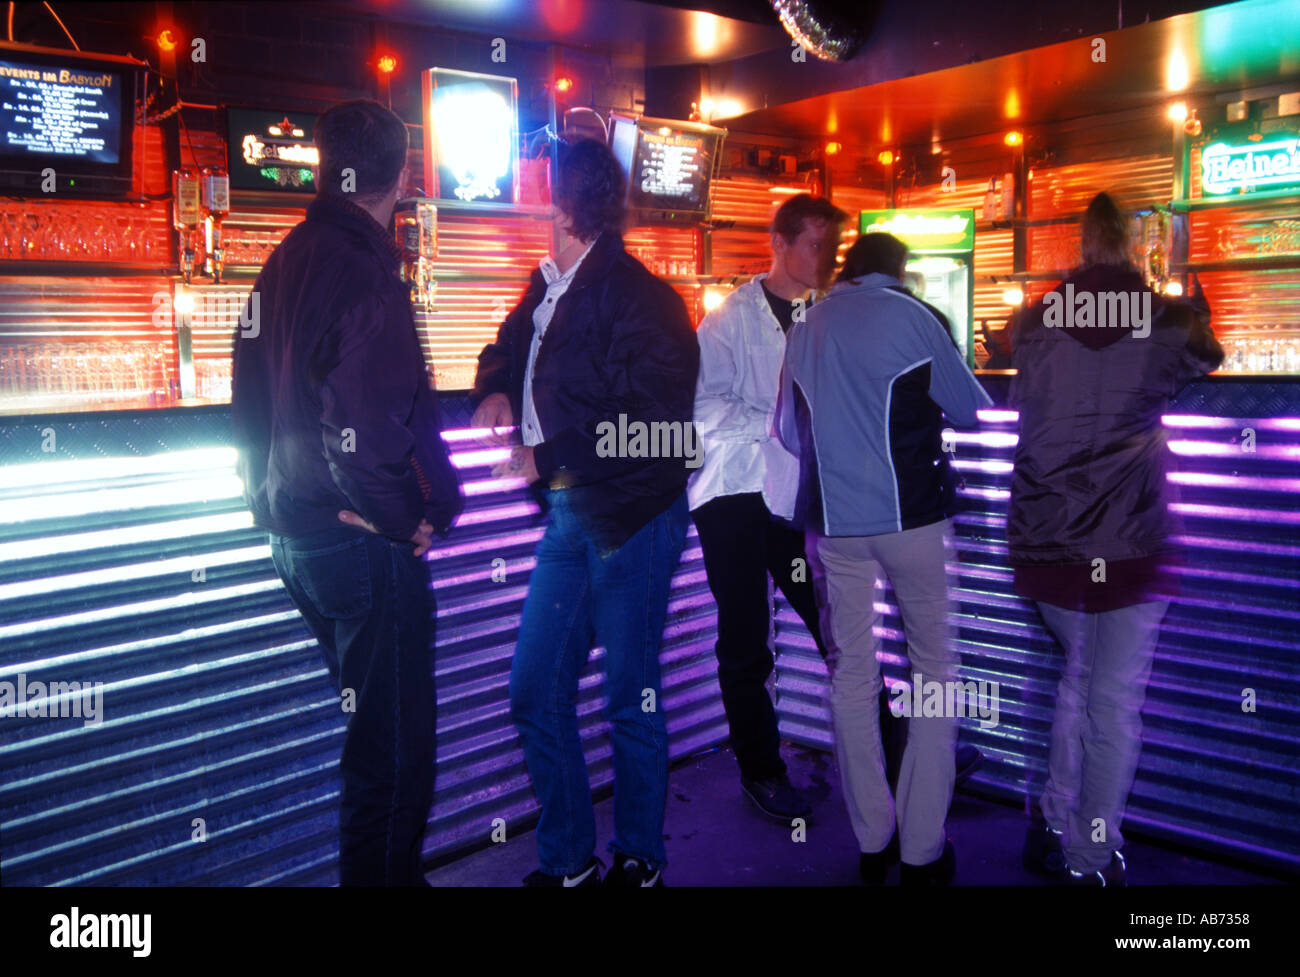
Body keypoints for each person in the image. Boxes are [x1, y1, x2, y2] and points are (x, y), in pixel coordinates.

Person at [230, 98, 462, 886]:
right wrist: (404, 521)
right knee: (392, 754)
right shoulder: (364, 272)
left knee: (374, 735)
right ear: (401, 174)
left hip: (297, 540)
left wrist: (272, 504)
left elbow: (250, 406)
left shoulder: (284, 258)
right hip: (359, 545)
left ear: (327, 169)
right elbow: (360, 423)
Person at [470, 138, 699, 887]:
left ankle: (640, 856)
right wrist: (496, 387)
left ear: (567, 201)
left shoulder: (641, 298)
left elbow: (657, 423)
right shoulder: (547, 286)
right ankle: (569, 859)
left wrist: (548, 454)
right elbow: (504, 346)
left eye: (540, 186)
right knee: (534, 689)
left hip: (633, 517)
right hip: (572, 518)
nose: (528, 199)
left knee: (629, 697)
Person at [1011, 192, 1222, 886]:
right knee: (1113, 699)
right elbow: (1208, 354)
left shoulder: (1039, 315)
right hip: (1127, 542)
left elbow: (1004, 355)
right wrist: (1196, 301)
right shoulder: (1164, 318)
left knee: (1080, 680)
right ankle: (1089, 856)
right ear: (1134, 245)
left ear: (1080, 244)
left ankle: (1054, 819)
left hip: (1048, 542)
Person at [777, 231, 991, 885]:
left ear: (848, 270)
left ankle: (874, 843)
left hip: (834, 528)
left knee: (851, 676)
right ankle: (924, 849)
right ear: (899, 273)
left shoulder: (806, 323)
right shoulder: (916, 318)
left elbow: (788, 432)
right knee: (932, 675)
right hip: (912, 520)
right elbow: (974, 411)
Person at [689, 193, 847, 823]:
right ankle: (762, 772)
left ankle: (898, 745)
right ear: (778, 244)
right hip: (732, 495)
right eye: (815, 243)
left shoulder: (831, 315)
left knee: (836, 620)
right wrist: (781, 423)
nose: (825, 256)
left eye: (831, 245)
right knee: (746, 639)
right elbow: (700, 408)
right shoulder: (728, 318)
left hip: (795, 496)